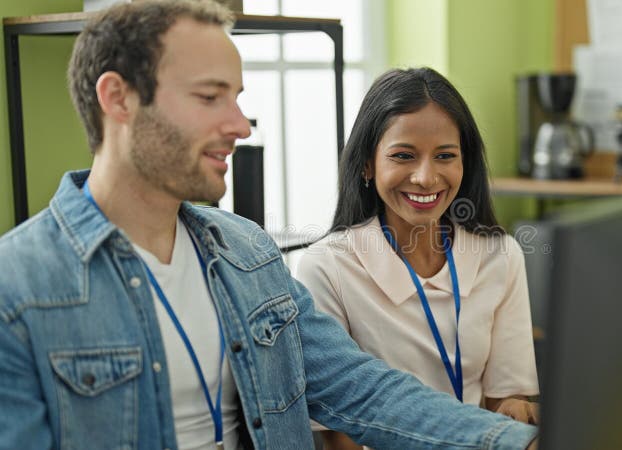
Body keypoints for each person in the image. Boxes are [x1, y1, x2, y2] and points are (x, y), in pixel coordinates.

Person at [0, 1, 539, 449]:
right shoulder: (17, 288)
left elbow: (363, 391)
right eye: (210, 96)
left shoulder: (248, 253)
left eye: (237, 99)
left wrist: (511, 440)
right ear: (118, 99)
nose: (239, 125)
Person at [296, 68, 540, 450]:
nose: (426, 178)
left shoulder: (500, 255)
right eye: (403, 156)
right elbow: (334, 432)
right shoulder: (327, 267)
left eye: (445, 156)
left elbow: (503, 403)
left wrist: (513, 407)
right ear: (367, 165)